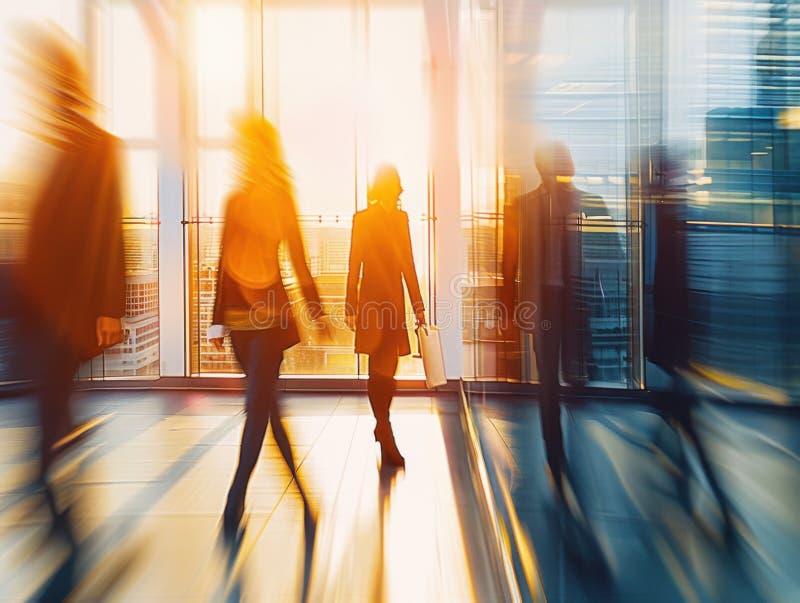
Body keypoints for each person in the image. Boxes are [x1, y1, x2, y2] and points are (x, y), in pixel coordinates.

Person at [12, 23, 126, 528]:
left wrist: (109, 307)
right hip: (31, 298)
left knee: (50, 401)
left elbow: (111, 230)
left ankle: (51, 495)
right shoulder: (37, 141)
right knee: (48, 400)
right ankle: (52, 482)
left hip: (68, 303)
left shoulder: (99, 147)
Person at [208, 114, 326, 539]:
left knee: (258, 408)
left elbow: (297, 257)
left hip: (271, 322)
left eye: (254, 146)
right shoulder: (235, 201)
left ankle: (234, 499)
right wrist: (217, 324)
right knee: (268, 413)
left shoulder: (280, 197)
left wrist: (316, 310)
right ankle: (305, 501)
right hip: (241, 325)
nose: (247, 152)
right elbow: (224, 263)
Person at [501, 141, 606, 502]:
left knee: (572, 374)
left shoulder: (583, 202)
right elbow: (508, 264)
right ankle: (554, 453)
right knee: (548, 381)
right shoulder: (523, 205)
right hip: (543, 303)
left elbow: (605, 253)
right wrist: (512, 310)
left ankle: (570, 449)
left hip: (573, 303)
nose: (566, 165)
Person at [345, 165, 426, 467]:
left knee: (387, 369)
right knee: (378, 368)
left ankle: (382, 424)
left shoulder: (400, 219)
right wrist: (349, 303)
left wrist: (418, 305)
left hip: (390, 300)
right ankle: (386, 429)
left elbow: (408, 263)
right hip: (373, 301)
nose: (393, 188)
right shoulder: (363, 219)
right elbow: (355, 262)